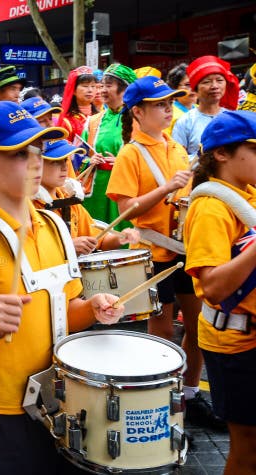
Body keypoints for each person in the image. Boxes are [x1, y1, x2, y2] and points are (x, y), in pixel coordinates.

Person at [0, 101, 124, 474]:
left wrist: (94, 308)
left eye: (37, 151)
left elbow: (64, 315)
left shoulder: (54, 226)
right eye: (20, 154)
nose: (36, 163)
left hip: (55, 406)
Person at [106, 76, 223, 430]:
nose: (168, 108)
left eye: (169, 102)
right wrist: (165, 189)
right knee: (161, 331)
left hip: (186, 247)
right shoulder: (130, 153)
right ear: (137, 112)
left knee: (197, 324)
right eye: (158, 104)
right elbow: (127, 210)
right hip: (152, 252)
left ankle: (189, 394)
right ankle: (162, 396)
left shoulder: (175, 147)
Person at [184, 110, 256, 473]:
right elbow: (211, 287)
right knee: (248, 445)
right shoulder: (212, 208)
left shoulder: (248, 193)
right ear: (223, 154)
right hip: (237, 344)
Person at [34, 139, 138, 255]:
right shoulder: (28, 206)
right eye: (55, 162)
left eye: (65, 160)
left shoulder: (70, 202)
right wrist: (67, 246)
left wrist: (121, 237)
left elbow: (100, 242)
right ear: (36, 164)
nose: (65, 167)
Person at [80, 64, 138, 224]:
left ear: (125, 88)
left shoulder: (139, 119)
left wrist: (122, 163)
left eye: (109, 85)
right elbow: (78, 155)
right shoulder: (93, 121)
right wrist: (89, 161)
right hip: (96, 191)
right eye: (102, 85)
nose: (102, 90)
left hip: (124, 189)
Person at [173, 56, 240, 161]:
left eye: (219, 80)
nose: (214, 86)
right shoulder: (185, 122)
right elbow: (177, 159)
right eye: (207, 82)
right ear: (195, 89)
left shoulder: (233, 119)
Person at [57, 66, 99, 143]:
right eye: (85, 86)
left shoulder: (101, 115)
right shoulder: (68, 122)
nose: (90, 90)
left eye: (93, 86)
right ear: (73, 90)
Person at [165, 63, 198, 134]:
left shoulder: (201, 109)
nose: (192, 88)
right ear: (175, 88)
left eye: (195, 83)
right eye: (187, 85)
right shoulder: (168, 113)